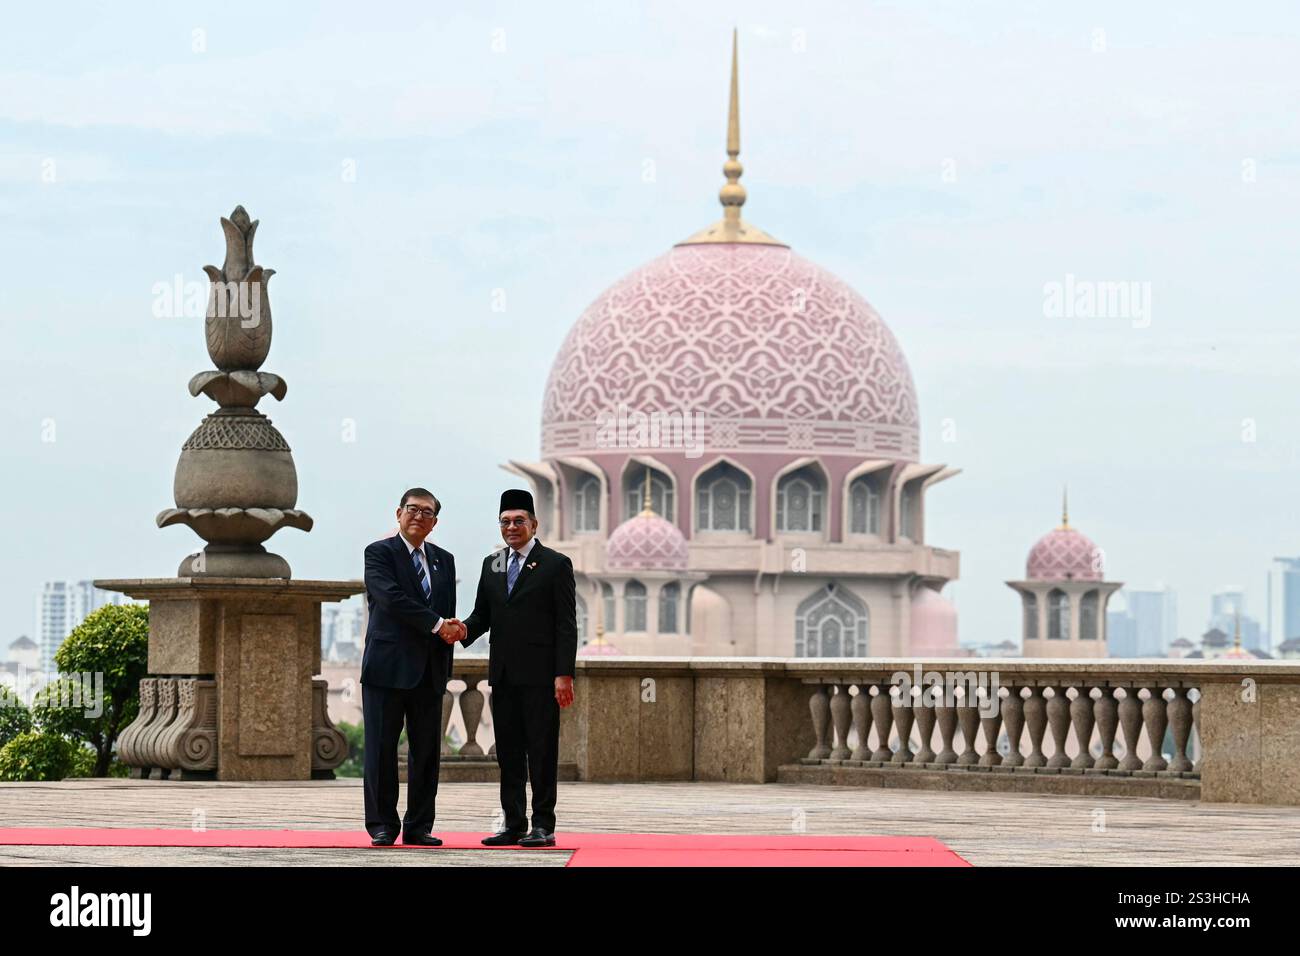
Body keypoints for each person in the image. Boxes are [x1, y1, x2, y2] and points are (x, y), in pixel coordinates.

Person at [442, 488, 577, 847]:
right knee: (510, 753)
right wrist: (463, 629)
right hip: (503, 676)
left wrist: (563, 674)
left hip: (541, 677)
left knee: (542, 752)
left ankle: (543, 826)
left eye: (519, 521)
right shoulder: (493, 564)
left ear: (534, 524)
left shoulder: (555, 564)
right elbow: (483, 615)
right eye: (505, 522)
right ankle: (513, 823)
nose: (511, 527)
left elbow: (566, 624)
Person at [359, 487, 463, 847]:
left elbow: (446, 608)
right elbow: (391, 599)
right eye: (412, 509)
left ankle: (419, 826)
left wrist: (452, 628)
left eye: (427, 512)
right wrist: (438, 624)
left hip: (429, 671)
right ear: (398, 513)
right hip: (386, 670)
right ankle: (383, 825)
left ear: (435, 522)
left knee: (426, 753)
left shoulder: (444, 560)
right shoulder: (379, 553)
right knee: (381, 751)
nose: (419, 516)